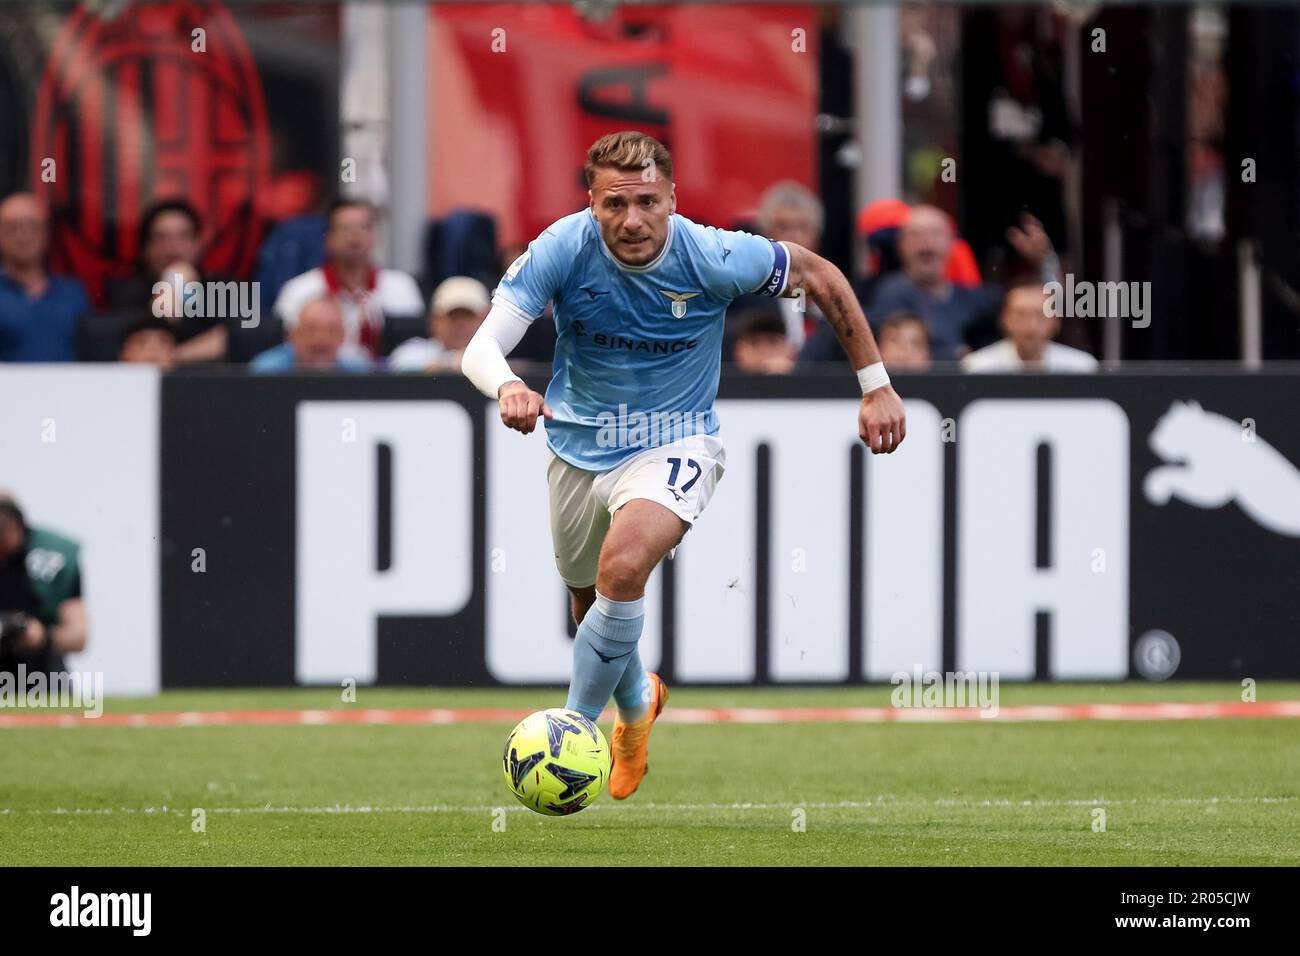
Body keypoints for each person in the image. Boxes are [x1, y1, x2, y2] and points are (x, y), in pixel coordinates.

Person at [460, 131, 905, 802]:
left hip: (677, 441)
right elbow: (480, 349)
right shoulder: (563, 247)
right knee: (588, 605)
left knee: (623, 565)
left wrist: (875, 385)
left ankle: (573, 732)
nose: (631, 220)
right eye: (614, 205)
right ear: (592, 202)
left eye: (646, 202)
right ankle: (637, 704)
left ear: (672, 198)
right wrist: (509, 387)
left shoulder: (713, 253)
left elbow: (820, 275)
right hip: (577, 446)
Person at [272, 198, 424, 362]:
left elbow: (415, 346)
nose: (354, 236)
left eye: (363, 227)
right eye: (345, 229)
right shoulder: (298, 289)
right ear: (328, 238)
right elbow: (287, 348)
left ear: (376, 236)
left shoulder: (402, 286)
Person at [105, 199, 229, 362]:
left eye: (183, 236)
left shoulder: (222, 286)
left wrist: (176, 355)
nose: (172, 248)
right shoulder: (125, 290)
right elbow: (147, 337)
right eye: (161, 238)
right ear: (146, 248)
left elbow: (238, 338)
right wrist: (173, 283)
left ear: (197, 244)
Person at [0, 495, 87, 679]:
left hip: (40, 676)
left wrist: (43, 636)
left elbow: (79, 636)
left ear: (17, 528)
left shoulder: (52, 562)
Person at [0, 193, 90, 362]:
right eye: (12, 227)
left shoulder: (73, 293)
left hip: (69, 387)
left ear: (46, 233)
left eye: (33, 226)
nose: (23, 234)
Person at [962, 282, 1098, 373]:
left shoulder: (1081, 368)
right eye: (1020, 314)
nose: (1031, 324)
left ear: (1056, 321)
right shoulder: (977, 368)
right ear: (1004, 319)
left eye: (1040, 315)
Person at [388, 276, 491, 373]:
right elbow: (399, 365)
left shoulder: (498, 355)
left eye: (468, 316)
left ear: (486, 319)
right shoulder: (412, 352)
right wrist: (451, 363)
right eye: (453, 316)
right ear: (434, 320)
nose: (460, 324)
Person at [250, 295, 370, 372]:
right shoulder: (267, 371)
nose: (321, 338)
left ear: (342, 337)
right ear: (292, 335)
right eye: (311, 329)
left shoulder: (358, 373)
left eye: (332, 331)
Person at [732, 313, 796, 374]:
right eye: (755, 343)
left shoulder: (804, 383)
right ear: (739, 351)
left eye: (773, 342)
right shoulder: (724, 383)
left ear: (789, 349)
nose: (764, 350)